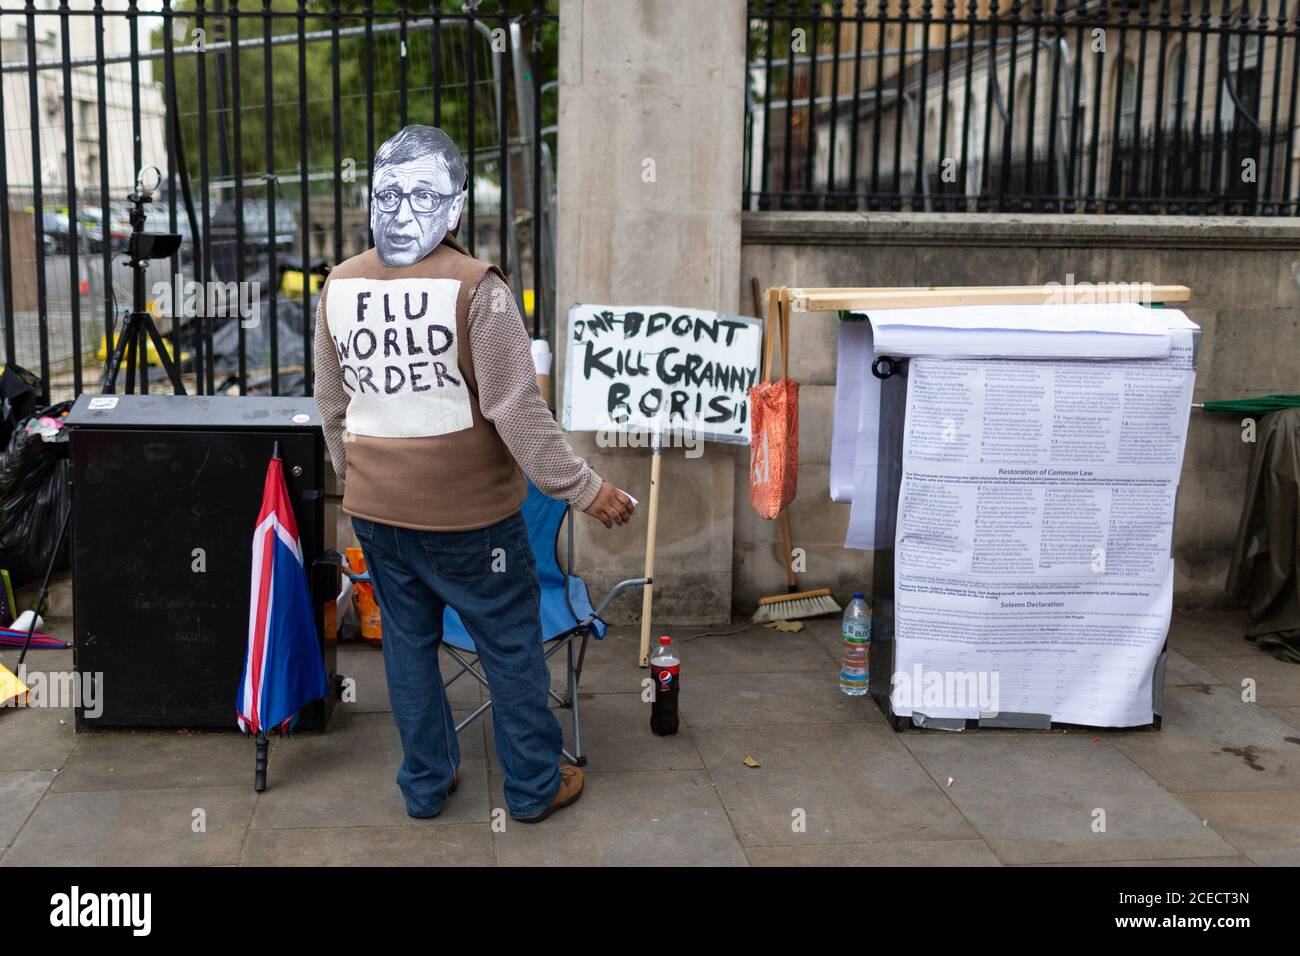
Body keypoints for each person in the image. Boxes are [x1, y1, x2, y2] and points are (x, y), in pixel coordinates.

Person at [313, 125, 634, 823]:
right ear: (371, 200)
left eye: (420, 195)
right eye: (388, 194)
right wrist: (587, 490)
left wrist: (360, 478)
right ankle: (532, 787)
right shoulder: (477, 289)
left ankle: (426, 786)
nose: (401, 210)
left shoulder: (339, 286)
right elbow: (518, 413)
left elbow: (332, 407)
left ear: (454, 207)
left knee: (406, 647)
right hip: (470, 522)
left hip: (379, 515)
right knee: (511, 648)